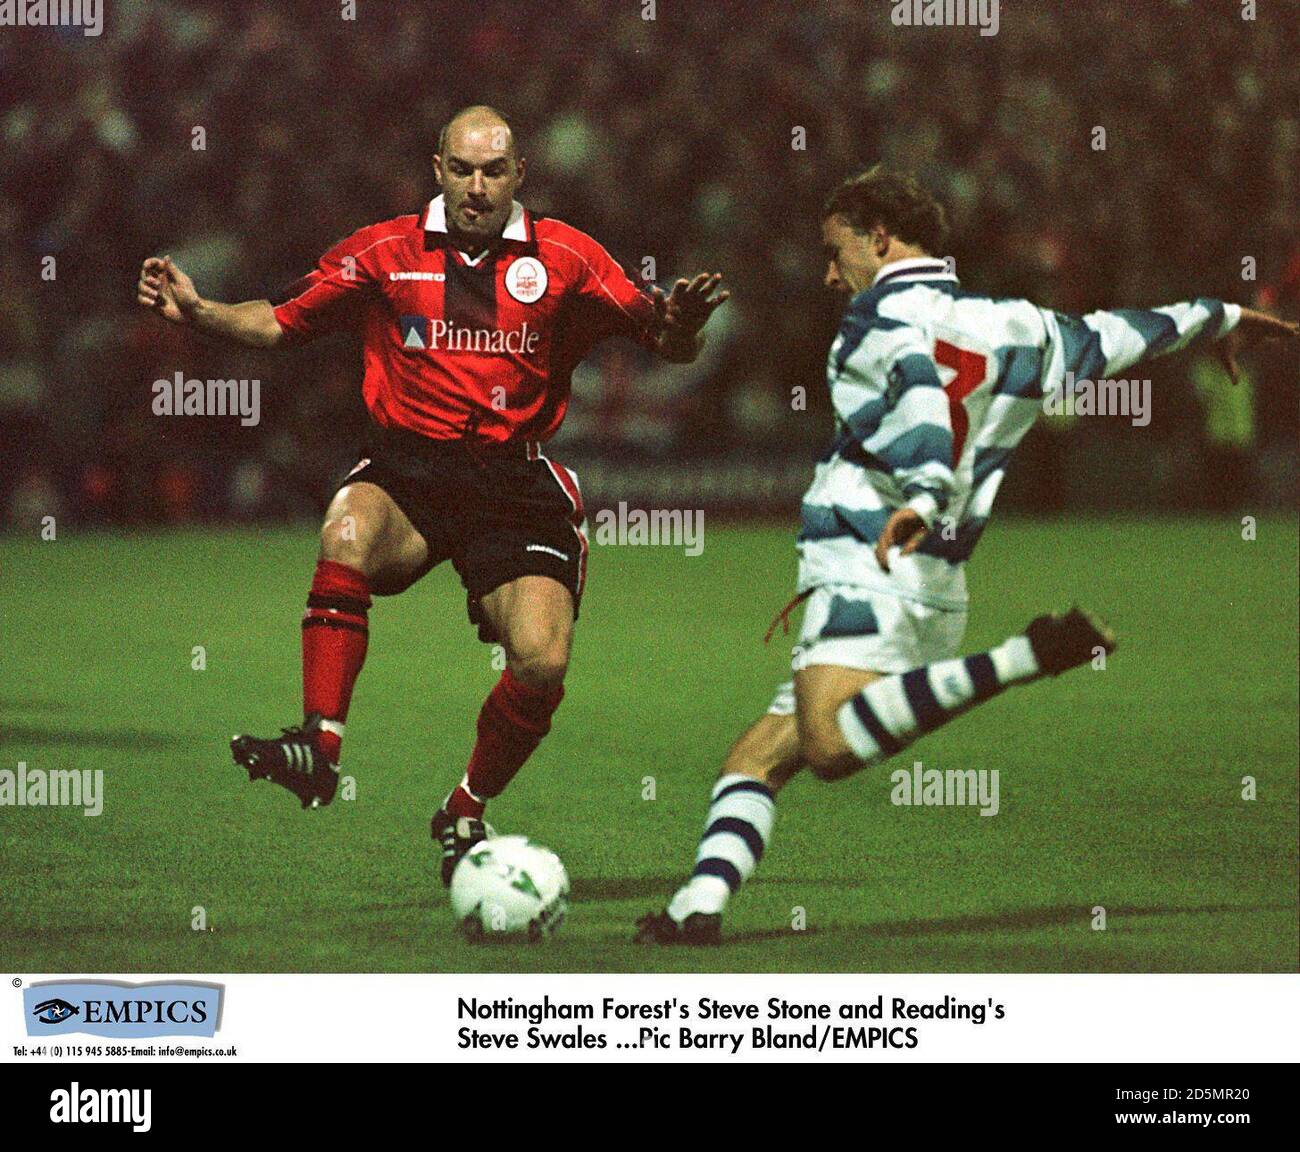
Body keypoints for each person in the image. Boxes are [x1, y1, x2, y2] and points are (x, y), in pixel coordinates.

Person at [637, 165, 1298, 945]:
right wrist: (1216, 316)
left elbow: (921, 399)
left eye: (834, 249)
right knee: (756, 757)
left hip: (870, 561)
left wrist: (920, 491)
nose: (827, 272)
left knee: (828, 744)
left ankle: (1025, 656)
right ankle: (698, 910)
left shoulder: (876, 323)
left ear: (878, 238)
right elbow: (1111, 337)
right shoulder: (1018, 325)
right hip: (940, 585)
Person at [136, 105, 728, 883]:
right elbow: (280, 322)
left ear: (520, 175)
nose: (477, 188)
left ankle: (464, 809)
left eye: (493, 171)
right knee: (345, 531)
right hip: (409, 471)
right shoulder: (384, 251)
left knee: (542, 665)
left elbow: (664, 337)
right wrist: (201, 312)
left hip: (512, 482)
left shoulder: (569, 258)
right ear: (437, 169)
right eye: (462, 169)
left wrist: (682, 327)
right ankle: (319, 746)